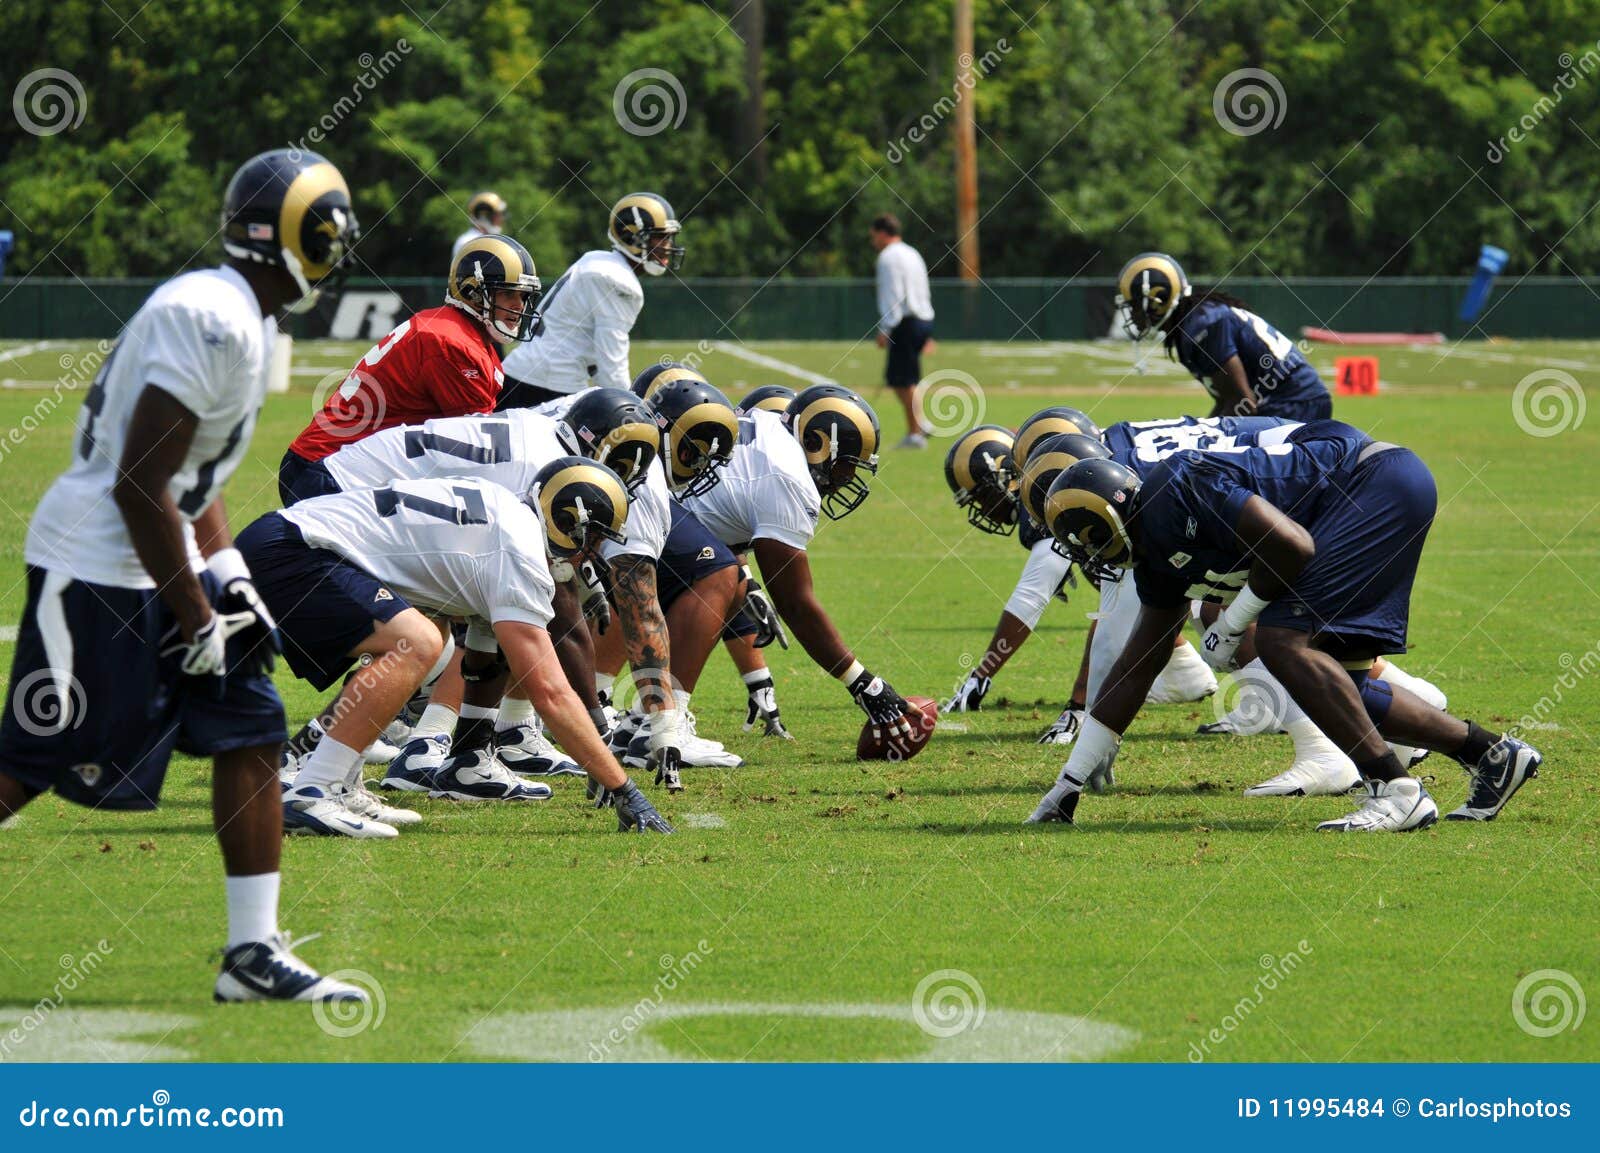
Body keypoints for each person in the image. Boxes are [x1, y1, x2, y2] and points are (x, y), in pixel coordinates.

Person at [0, 149, 367, 1002]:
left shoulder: (238, 313)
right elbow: (139, 482)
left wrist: (229, 573)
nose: (338, 249)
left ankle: (253, 954)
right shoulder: (215, 316)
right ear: (298, 238)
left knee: (251, 723)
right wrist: (197, 614)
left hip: (162, 555)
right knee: (33, 757)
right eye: (330, 232)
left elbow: (189, 480)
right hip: (97, 564)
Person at [1030, 420, 1543, 831]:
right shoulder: (1155, 556)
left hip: (1376, 482)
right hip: (1366, 492)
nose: (1084, 557)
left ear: (1103, 519)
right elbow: (1138, 666)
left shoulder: (1178, 488)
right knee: (1338, 683)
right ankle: (1492, 755)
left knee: (1280, 641)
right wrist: (1069, 782)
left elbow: (1291, 547)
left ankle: (1396, 791)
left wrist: (1232, 623)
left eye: (1083, 542)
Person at [236, 463, 673, 834]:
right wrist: (622, 786)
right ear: (569, 522)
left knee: (413, 641)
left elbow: (485, 637)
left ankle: (341, 783)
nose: (591, 554)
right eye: (593, 539)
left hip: (285, 541)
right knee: (418, 643)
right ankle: (314, 789)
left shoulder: (507, 512)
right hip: (296, 551)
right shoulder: (516, 551)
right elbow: (551, 693)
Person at [682, 383, 919, 744]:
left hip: (656, 512)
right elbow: (796, 604)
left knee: (725, 575)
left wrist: (746, 575)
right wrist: (863, 683)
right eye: (847, 466)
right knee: (718, 576)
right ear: (819, 444)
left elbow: (722, 503)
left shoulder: (768, 427)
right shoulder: (789, 476)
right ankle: (656, 722)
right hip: (652, 522)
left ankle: (640, 715)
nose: (848, 479)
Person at [280, 233, 541, 496]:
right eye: (509, 294)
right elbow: (473, 453)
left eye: (523, 296)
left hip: (335, 465)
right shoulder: (453, 343)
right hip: (327, 470)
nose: (519, 305)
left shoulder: (458, 331)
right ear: (472, 292)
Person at [499, 192, 683, 409]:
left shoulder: (598, 260)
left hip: (528, 373)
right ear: (631, 237)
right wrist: (631, 409)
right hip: (547, 384)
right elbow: (611, 364)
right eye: (660, 237)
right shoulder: (616, 279)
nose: (667, 245)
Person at [1115, 252, 1332, 422]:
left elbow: (1243, 402)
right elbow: (1227, 400)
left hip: (1295, 403)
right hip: (1292, 401)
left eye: (1133, 306)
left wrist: (1200, 443)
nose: (1132, 315)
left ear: (1156, 300)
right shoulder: (1191, 325)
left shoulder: (1203, 326)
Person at [871, 213, 936, 449]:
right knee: (899, 379)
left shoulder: (888, 257)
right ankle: (921, 424)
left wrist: (885, 328)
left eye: (873, 236)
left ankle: (915, 434)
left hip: (904, 323)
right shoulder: (912, 253)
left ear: (881, 233)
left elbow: (894, 296)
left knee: (904, 380)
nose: (873, 242)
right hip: (922, 319)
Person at [452, 190, 508, 260]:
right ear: (484, 217)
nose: (501, 219)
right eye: (497, 215)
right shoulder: (467, 242)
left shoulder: (487, 239)